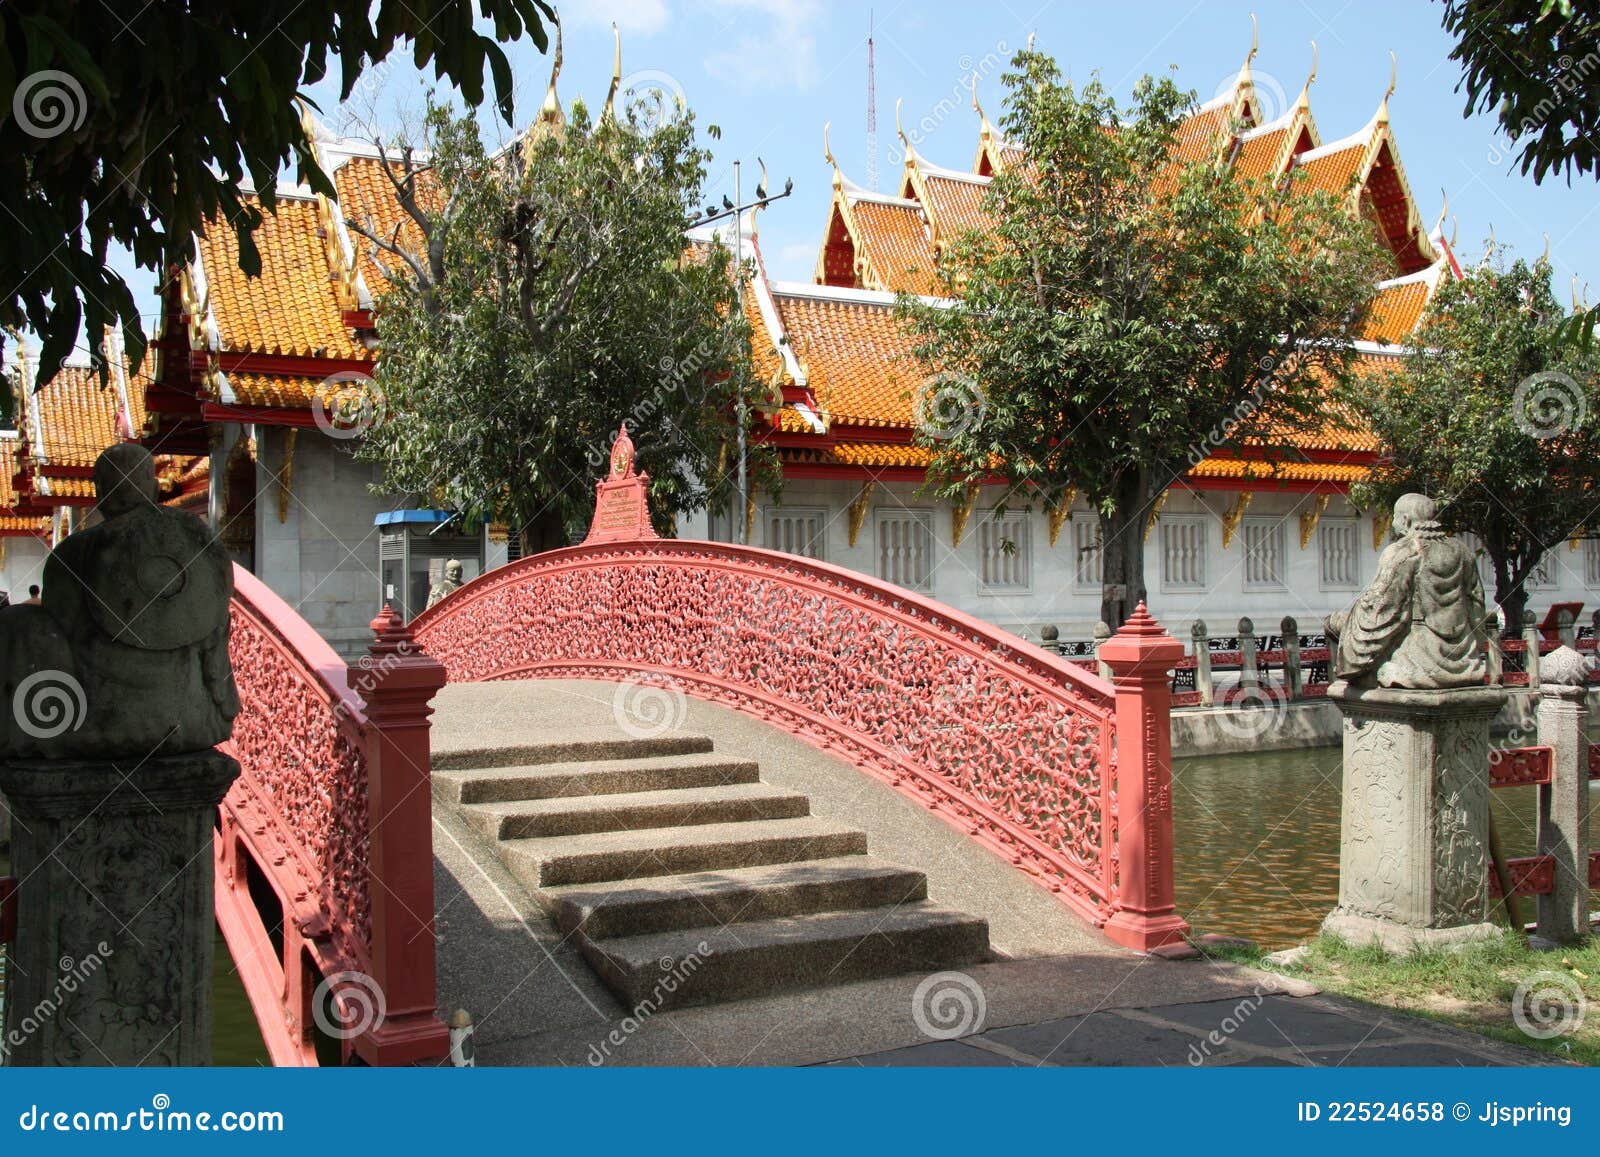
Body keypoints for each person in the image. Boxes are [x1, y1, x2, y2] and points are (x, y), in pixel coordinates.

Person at [1325, 493, 1487, 689]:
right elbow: (1476, 605)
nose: (1392, 523)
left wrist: (1343, 623)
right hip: (1465, 661)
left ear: (1405, 520)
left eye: (1393, 517)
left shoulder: (1403, 551)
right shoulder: (1463, 551)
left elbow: (1383, 610)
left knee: (1362, 667)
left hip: (1419, 661)